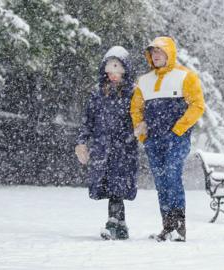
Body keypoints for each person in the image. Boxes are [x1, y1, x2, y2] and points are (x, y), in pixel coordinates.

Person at [130, 37, 205, 242]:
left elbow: (197, 105)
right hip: (153, 140)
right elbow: (135, 109)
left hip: (176, 139)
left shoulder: (185, 77)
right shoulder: (144, 81)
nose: (156, 55)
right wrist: (143, 133)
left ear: (169, 53)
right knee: (161, 182)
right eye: (153, 52)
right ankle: (167, 226)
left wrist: (178, 130)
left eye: (160, 52)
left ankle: (179, 227)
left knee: (172, 176)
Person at [75, 46, 138, 240]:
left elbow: (139, 117)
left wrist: (137, 132)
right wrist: (82, 142)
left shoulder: (133, 94)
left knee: (117, 185)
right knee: (110, 186)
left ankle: (113, 223)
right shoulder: (97, 94)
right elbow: (88, 121)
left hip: (124, 147)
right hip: (102, 148)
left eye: (117, 70)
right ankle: (120, 224)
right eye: (109, 70)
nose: (113, 74)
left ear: (125, 70)